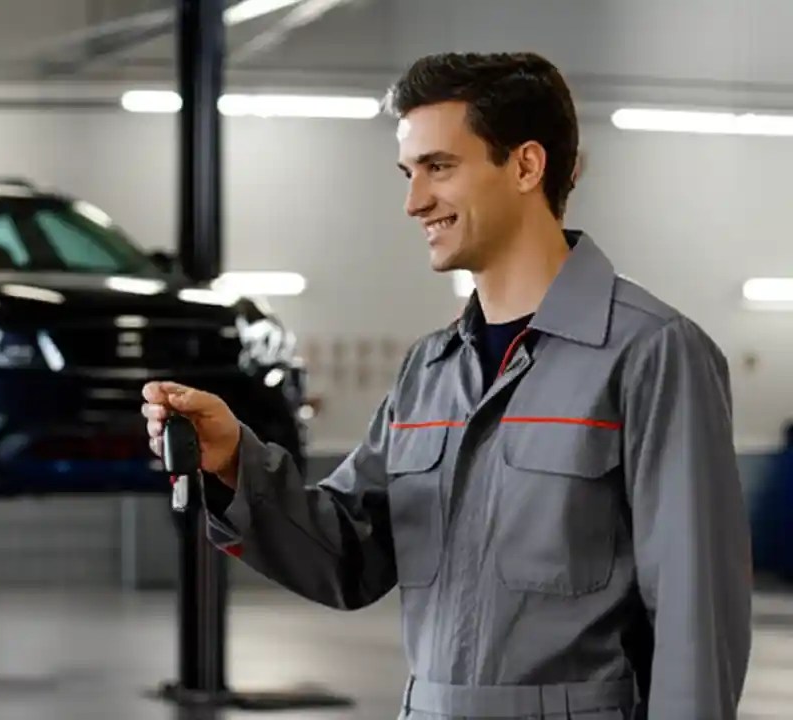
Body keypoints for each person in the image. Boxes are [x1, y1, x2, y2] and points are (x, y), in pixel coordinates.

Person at [142, 52, 751, 720]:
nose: (414, 202)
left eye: (439, 167)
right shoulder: (429, 372)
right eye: (410, 173)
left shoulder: (651, 354)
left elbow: (698, 619)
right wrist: (234, 459)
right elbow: (349, 554)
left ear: (525, 165)